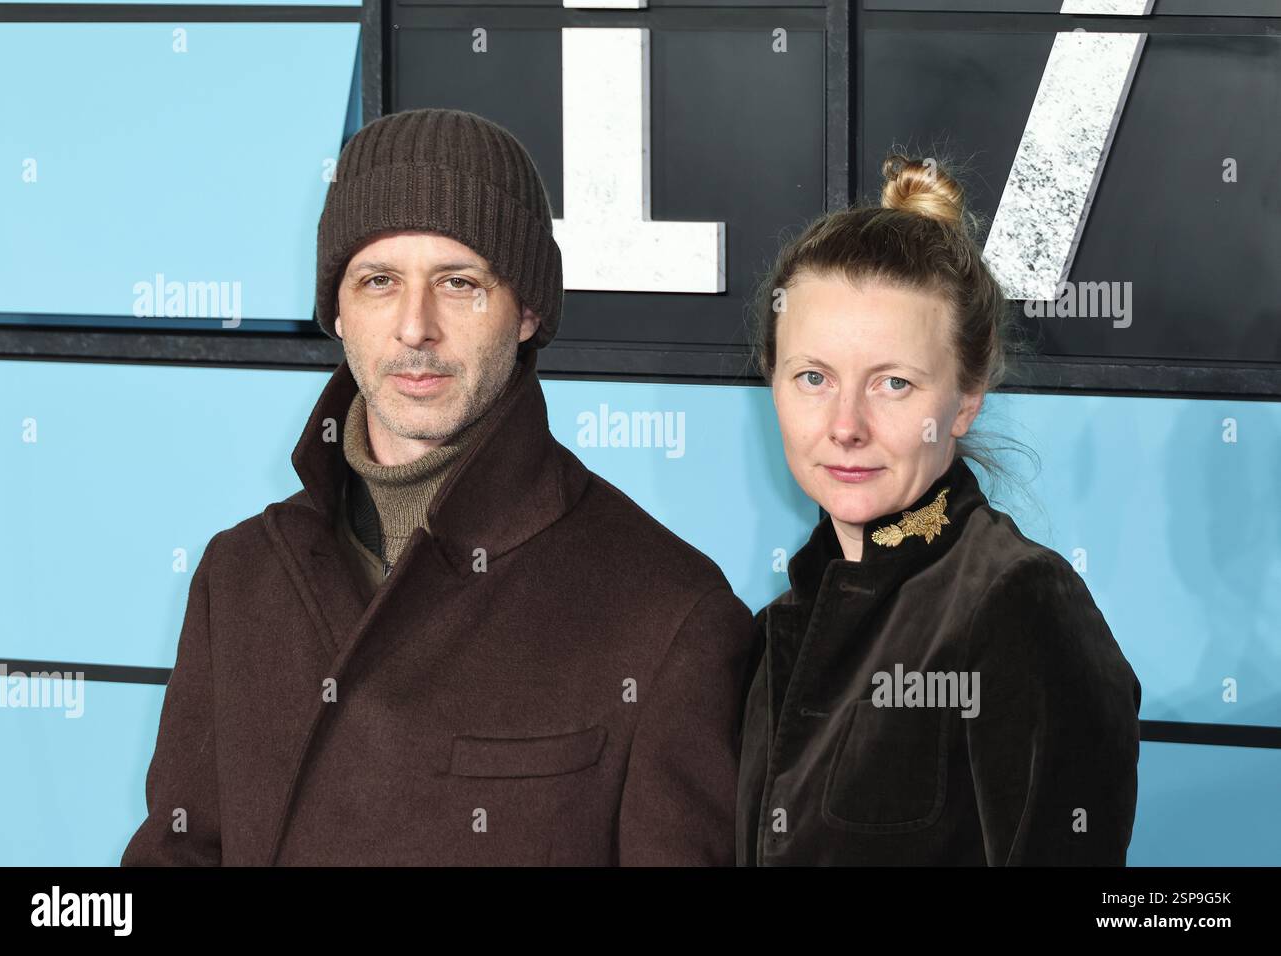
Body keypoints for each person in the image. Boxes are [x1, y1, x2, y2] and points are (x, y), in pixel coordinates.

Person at [122, 108, 754, 866]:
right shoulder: (239, 577)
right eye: (378, 281)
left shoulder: (669, 613)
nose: (415, 327)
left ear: (527, 311)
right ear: (339, 313)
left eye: (459, 283)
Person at [736, 154, 1142, 865]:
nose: (846, 425)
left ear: (967, 399)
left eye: (893, 383)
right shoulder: (778, 626)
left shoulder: (1017, 603)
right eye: (813, 377)